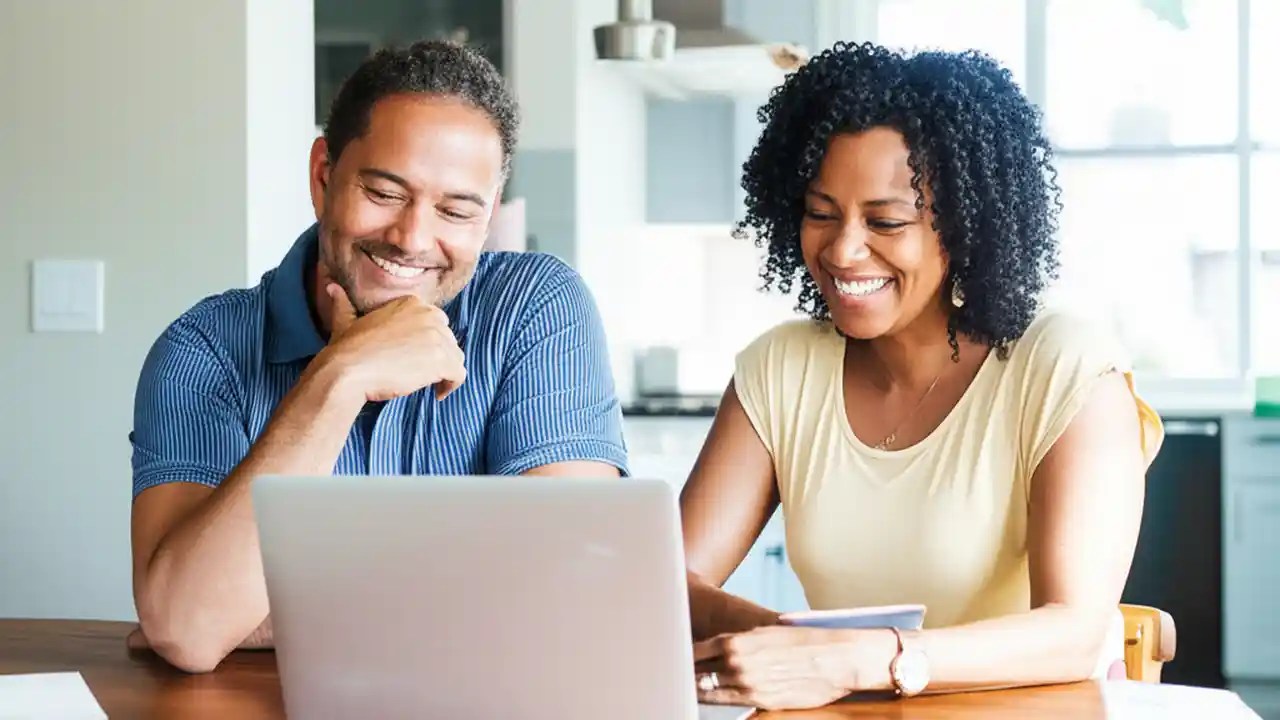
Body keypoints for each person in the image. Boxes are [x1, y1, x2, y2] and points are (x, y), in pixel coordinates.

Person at [681, 41, 1164, 711]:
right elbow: (668, 579)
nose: (843, 250)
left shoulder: (1066, 369)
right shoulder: (781, 369)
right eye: (820, 214)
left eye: (886, 221)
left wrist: (857, 658)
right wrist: (792, 648)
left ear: (967, 228)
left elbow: (1076, 631)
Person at [126, 40, 628, 673]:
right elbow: (191, 627)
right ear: (323, 175)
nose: (413, 239)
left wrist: (250, 609)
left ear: (489, 215)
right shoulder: (203, 351)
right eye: (385, 192)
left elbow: (573, 589)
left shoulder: (535, 308)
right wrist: (339, 377)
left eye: (455, 209)